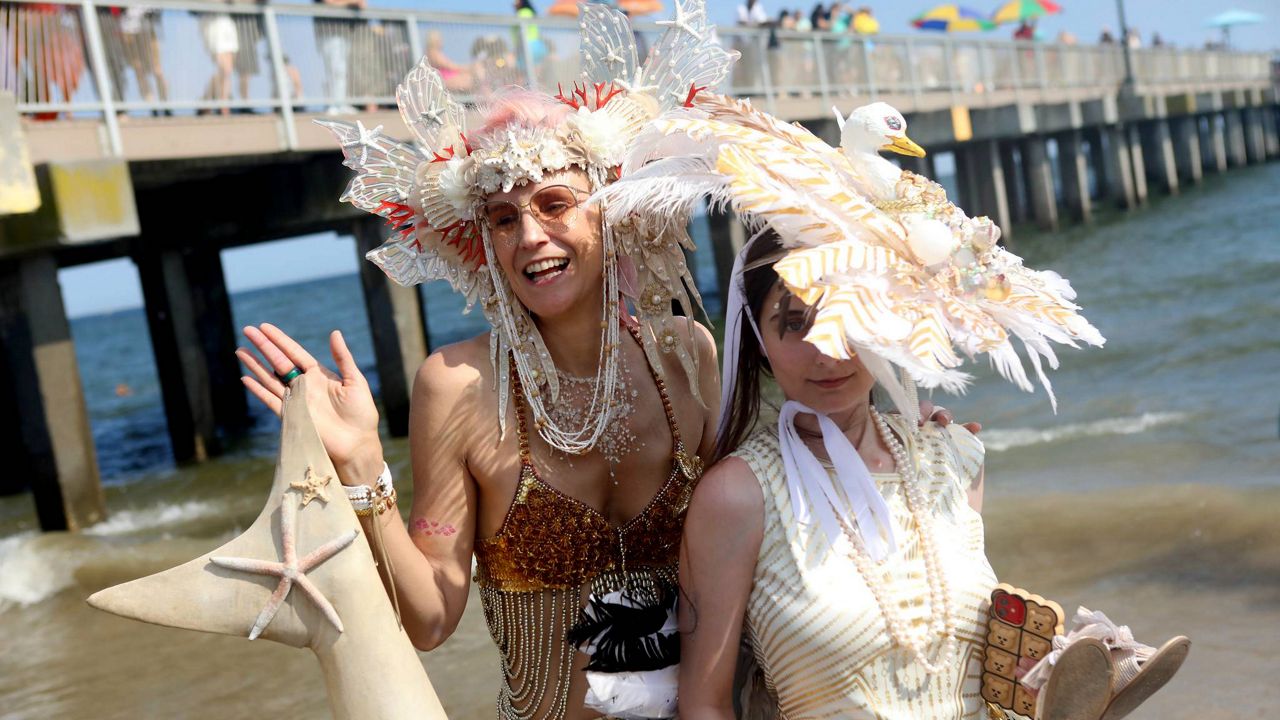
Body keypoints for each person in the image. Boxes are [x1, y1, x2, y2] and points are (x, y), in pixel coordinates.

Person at [594, 91, 1190, 720]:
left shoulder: (954, 459)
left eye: (851, 318)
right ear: (761, 345)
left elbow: (952, 659)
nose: (827, 350)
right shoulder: (738, 496)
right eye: (793, 323)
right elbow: (706, 704)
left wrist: (1033, 678)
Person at [238, 3, 742, 718]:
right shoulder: (458, 388)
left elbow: (750, 533)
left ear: (610, 210)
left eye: (554, 203)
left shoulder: (685, 354)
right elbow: (431, 620)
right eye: (505, 219)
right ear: (485, 241)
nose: (531, 236)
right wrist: (359, 470)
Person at [314, 0, 364, 115]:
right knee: (333, 69)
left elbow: (362, 4)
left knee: (342, 70)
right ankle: (333, 104)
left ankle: (341, 103)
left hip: (344, 33)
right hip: (328, 32)